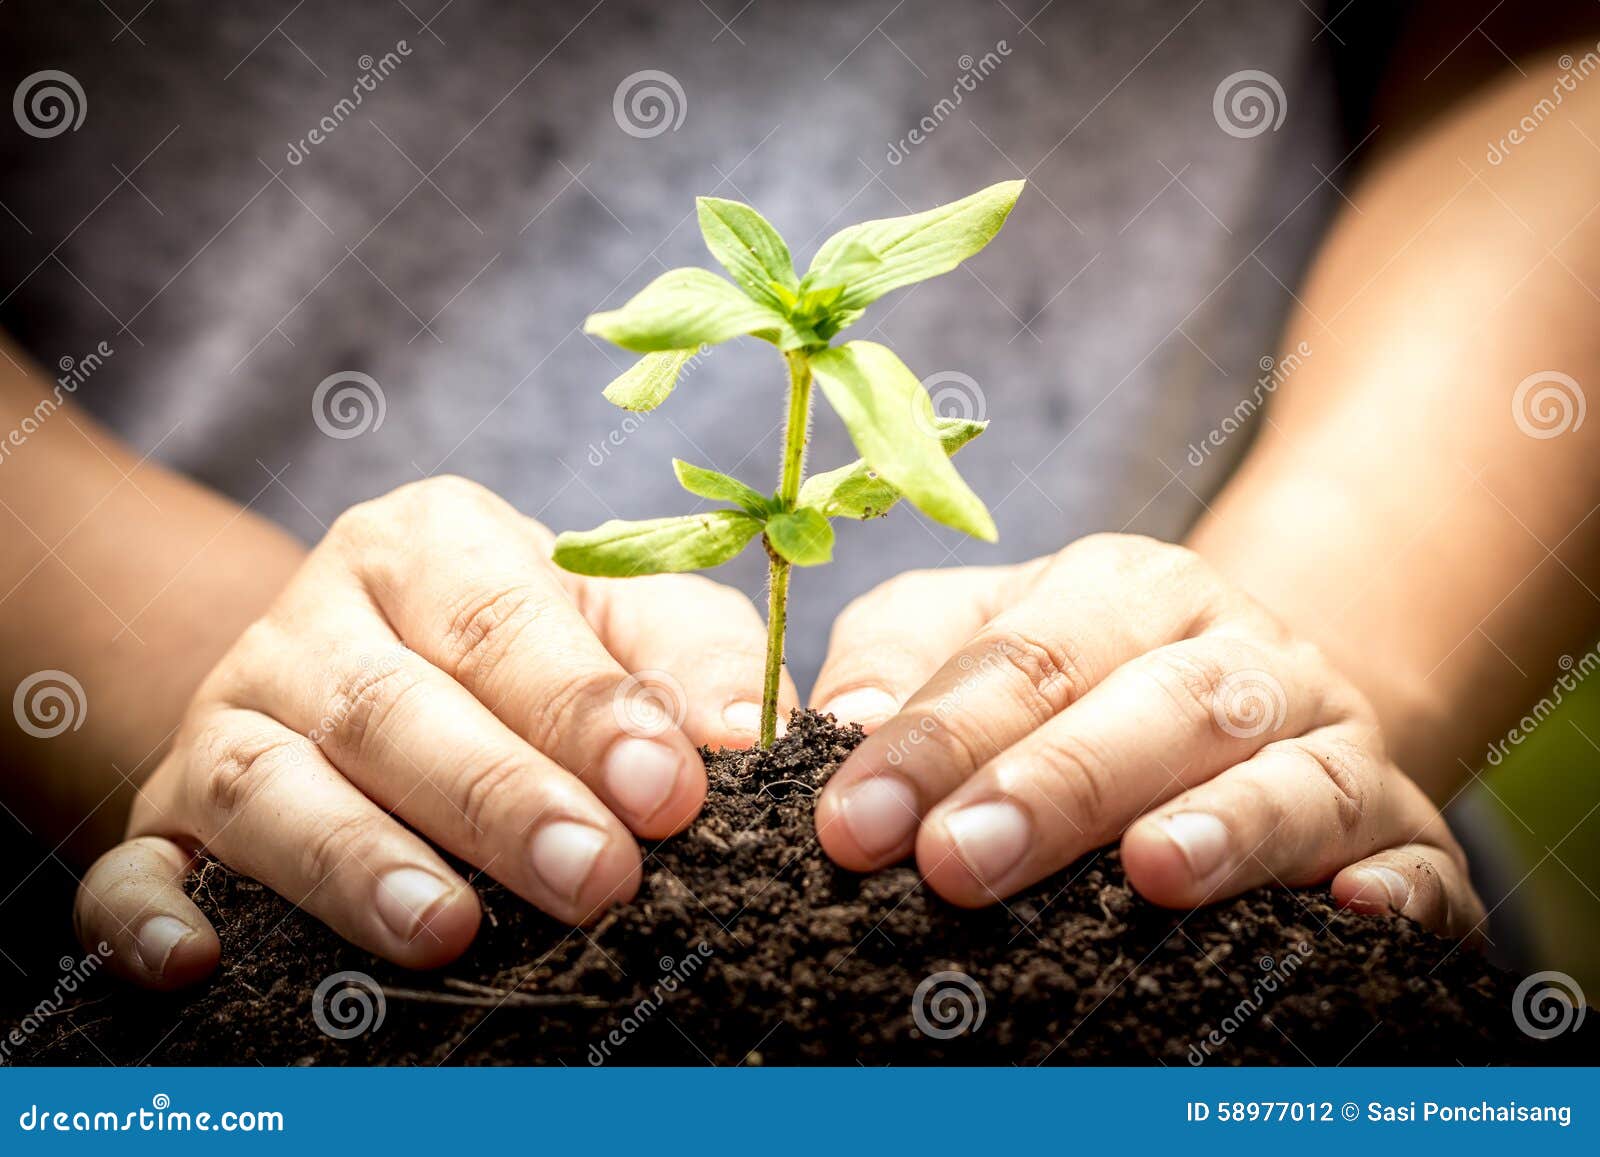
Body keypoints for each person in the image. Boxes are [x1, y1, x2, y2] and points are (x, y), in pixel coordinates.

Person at [1, 1, 1596, 991]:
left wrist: (1304, 654)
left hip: (1209, 852)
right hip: (201, 840)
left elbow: (1543, 72)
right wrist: (209, 686)